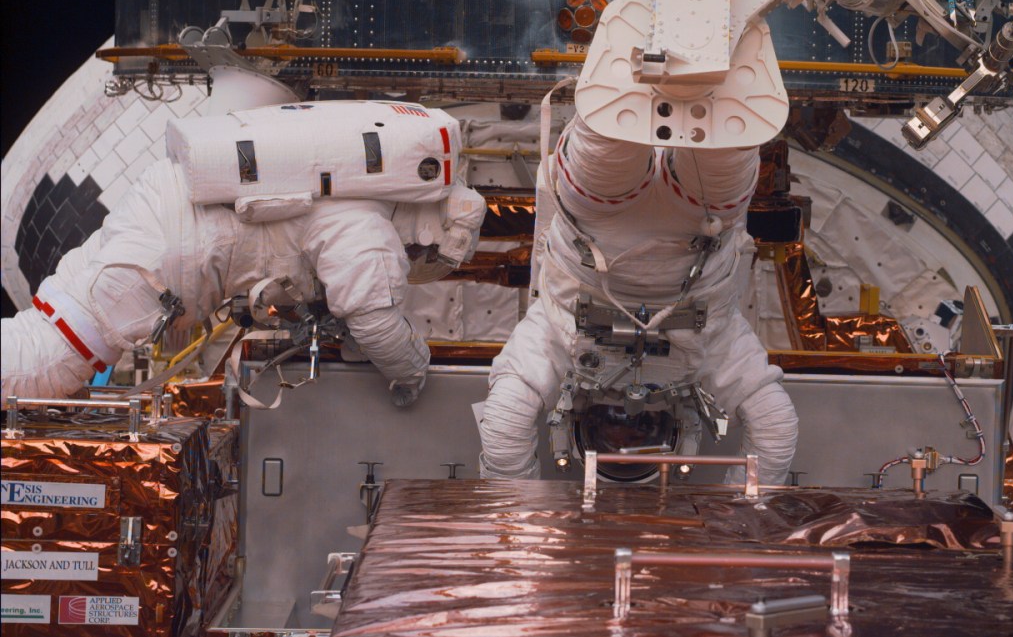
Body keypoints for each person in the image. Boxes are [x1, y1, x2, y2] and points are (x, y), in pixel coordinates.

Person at [2, 121, 486, 406]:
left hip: (167, 211)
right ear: (430, 227)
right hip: (172, 251)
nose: (417, 258)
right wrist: (415, 375)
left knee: (55, 320)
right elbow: (377, 322)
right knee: (56, 356)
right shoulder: (366, 226)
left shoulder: (354, 195)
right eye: (427, 253)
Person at [479, 118, 798, 483]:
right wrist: (736, 520)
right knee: (719, 147)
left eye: (612, 433)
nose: (627, 426)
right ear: (679, 428)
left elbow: (505, 421)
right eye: (641, 430)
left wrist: (518, 518)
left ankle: (618, 112)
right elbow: (775, 425)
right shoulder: (716, 345)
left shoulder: (553, 337)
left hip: (600, 228)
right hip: (699, 228)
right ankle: (714, 113)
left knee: (607, 151)